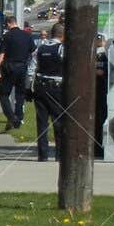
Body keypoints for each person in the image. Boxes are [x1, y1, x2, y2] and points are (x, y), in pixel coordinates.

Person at [31, 21, 66, 162]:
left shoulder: (40, 47)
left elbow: (31, 69)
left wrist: (29, 87)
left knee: (42, 122)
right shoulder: (62, 49)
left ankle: (42, 155)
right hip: (56, 87)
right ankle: (59, 154)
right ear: (63, 35)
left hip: (40, 86)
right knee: (58, 121)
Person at [0, 18, 35, 130]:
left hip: (9, 67)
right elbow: (32, 50)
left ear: (8, 24)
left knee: (2, 93)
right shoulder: (27, 35)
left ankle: (12, 118)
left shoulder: (7, 36)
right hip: (22, 67)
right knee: (20, 94)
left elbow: (1, 54)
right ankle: (19, 116)